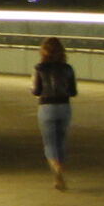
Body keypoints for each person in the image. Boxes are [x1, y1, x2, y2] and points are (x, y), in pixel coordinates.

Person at [33, 36, 78, 190]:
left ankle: (56, 169)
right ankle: (60, 172)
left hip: (46, 107)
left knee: (50, 143)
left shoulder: (39, 68)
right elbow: (73, 92)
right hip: (64, 106)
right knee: (61, 141)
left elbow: (36, 91)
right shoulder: (68, 68)